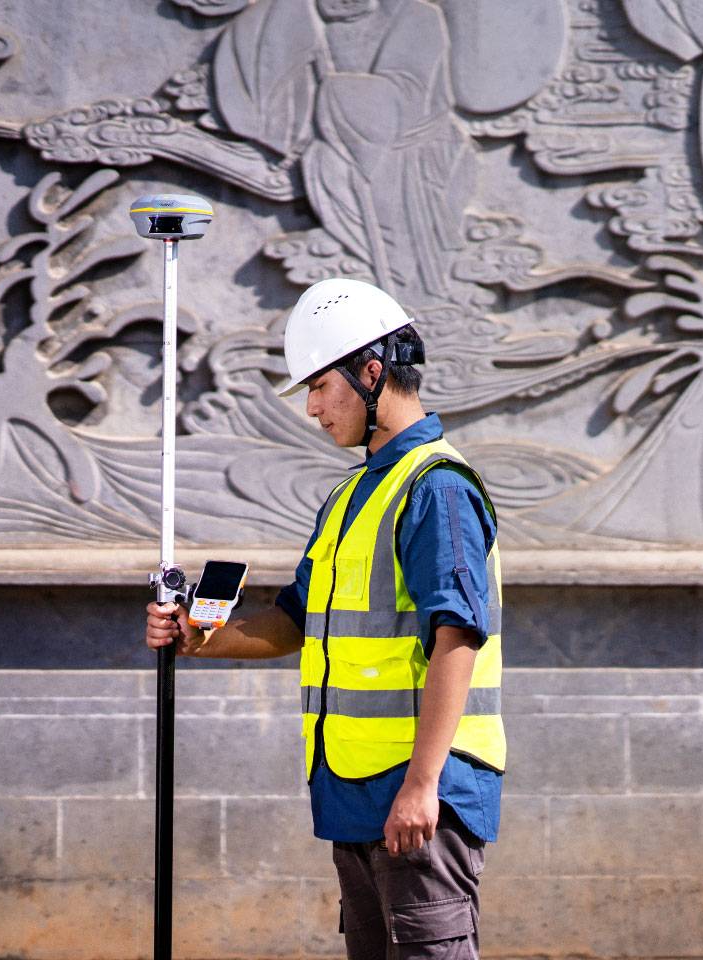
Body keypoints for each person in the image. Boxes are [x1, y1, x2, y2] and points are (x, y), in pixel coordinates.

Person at [145, 277, 504, 960]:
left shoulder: (436, 488)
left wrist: (422, 785)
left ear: (371, 373)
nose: (311, 407)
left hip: (420, 798)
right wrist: (197, 639)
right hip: (356, 794)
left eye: (318, 386)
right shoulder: (351, 495)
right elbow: (293, 620)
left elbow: (457, 637)